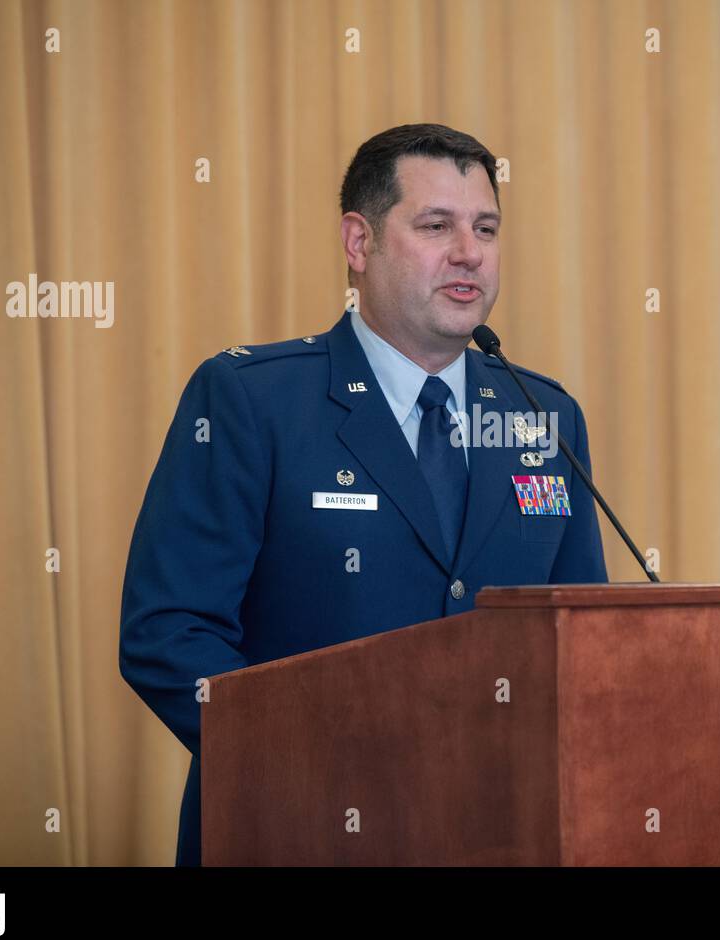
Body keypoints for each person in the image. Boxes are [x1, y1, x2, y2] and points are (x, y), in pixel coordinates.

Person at [119, 123, 608, 866]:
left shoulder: (543, 416)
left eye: (485, 228)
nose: (469, 252)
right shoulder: (255, 400)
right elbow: (168, 631)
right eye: (435, 225)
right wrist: (324, 760)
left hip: (498, 833)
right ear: (359, 243)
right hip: (298, 829)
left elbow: (584, 643)